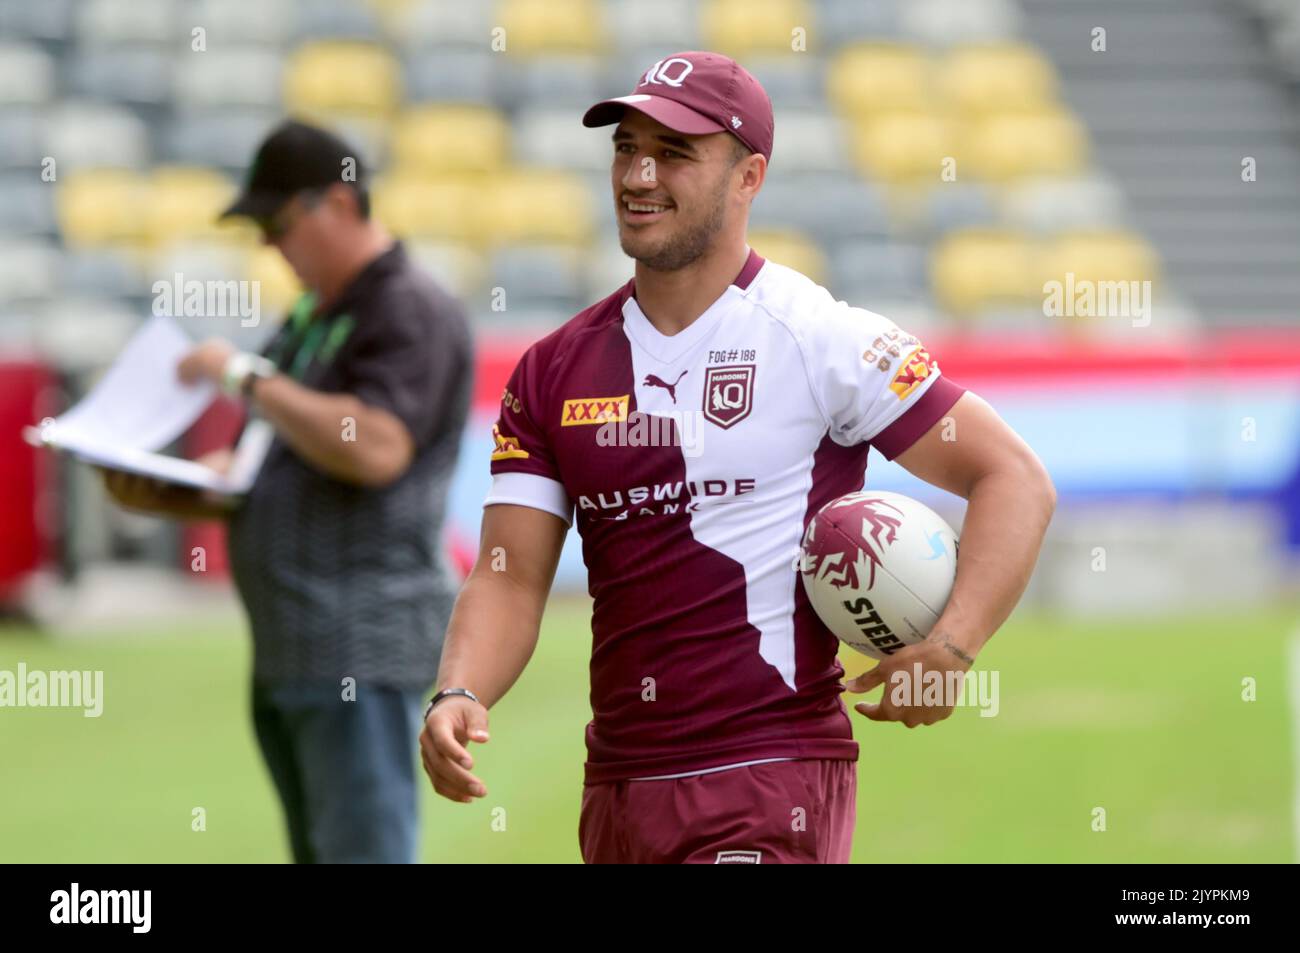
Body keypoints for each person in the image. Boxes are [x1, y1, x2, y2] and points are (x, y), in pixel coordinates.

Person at [419, 51, 1055, 864]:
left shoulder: (823, 338)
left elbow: (1014, 478)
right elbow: (508, 574)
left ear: (750, 176)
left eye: (675, 152)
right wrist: (461, 689)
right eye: (626, 148)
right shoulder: (551, 370)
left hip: (768, 778)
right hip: (617, 788)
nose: (639, 174)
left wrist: (955, 645)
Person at [101, 120, 473, 863]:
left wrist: (244, 376)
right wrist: (173, 493)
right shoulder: (313, 314)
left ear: (337, 201)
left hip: (356, 644)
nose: (270, 244)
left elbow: (376, 446)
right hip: (296, 646)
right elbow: (265, 466)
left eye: (277, 222)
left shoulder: (407, 306)